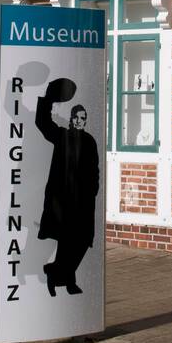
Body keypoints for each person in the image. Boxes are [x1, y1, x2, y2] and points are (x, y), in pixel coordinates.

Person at [35, 78, 100, 296]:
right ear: (71, 119)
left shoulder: (90, 141)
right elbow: (42, 123)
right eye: (78, 117)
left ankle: (53, 270)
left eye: (84, 118)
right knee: (66, 241)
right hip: (63, 200)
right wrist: (47, 99)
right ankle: (67, 281)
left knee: (81, 242)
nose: (81, 121)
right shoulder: (61, 136)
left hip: (83, 201)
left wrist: (93, 190)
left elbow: (95, 169)